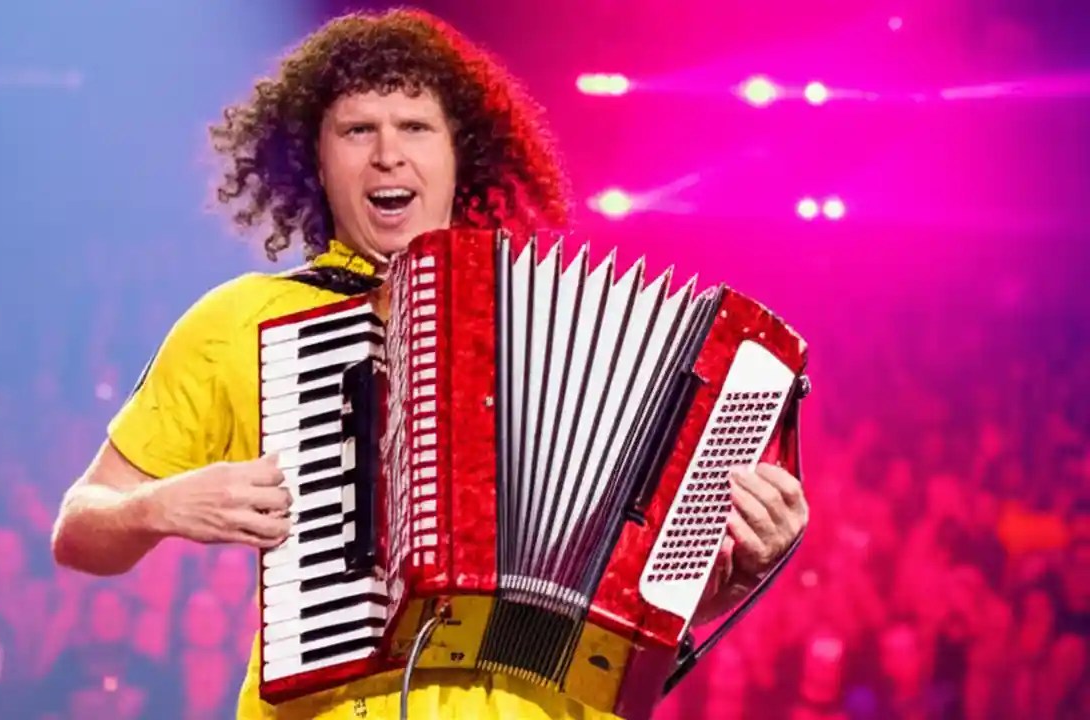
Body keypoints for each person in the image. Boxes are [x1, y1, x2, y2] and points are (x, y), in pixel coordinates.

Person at [50, 8, 809, 719]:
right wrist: (158, 507)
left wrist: (734, 577)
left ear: (458, 154)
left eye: (415, 126)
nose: (388, 152)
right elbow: (80, 529)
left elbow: (630, 621)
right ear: (315, 156)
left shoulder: (552, 319)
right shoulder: (238, 321)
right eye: (357, 129)